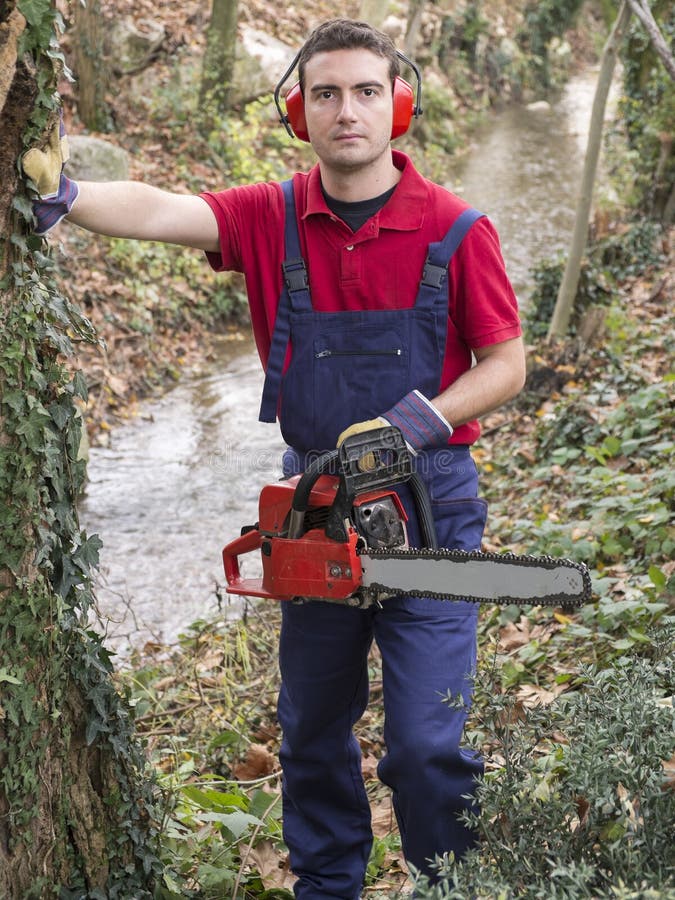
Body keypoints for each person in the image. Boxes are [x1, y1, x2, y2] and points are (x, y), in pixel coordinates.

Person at [24, 18, 526, 899]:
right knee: (311, 724)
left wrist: (414, 420)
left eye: (366, 91)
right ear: (299, 111)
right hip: (314, 504)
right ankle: (327, 883)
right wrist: (69, 194)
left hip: (431, 505)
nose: (346, 110)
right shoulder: (270, 216)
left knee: (425, 743)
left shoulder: (456, 227)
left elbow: (507, 365)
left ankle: (449, 882)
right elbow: (161, 209)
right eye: (324, 93)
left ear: (397, 105)